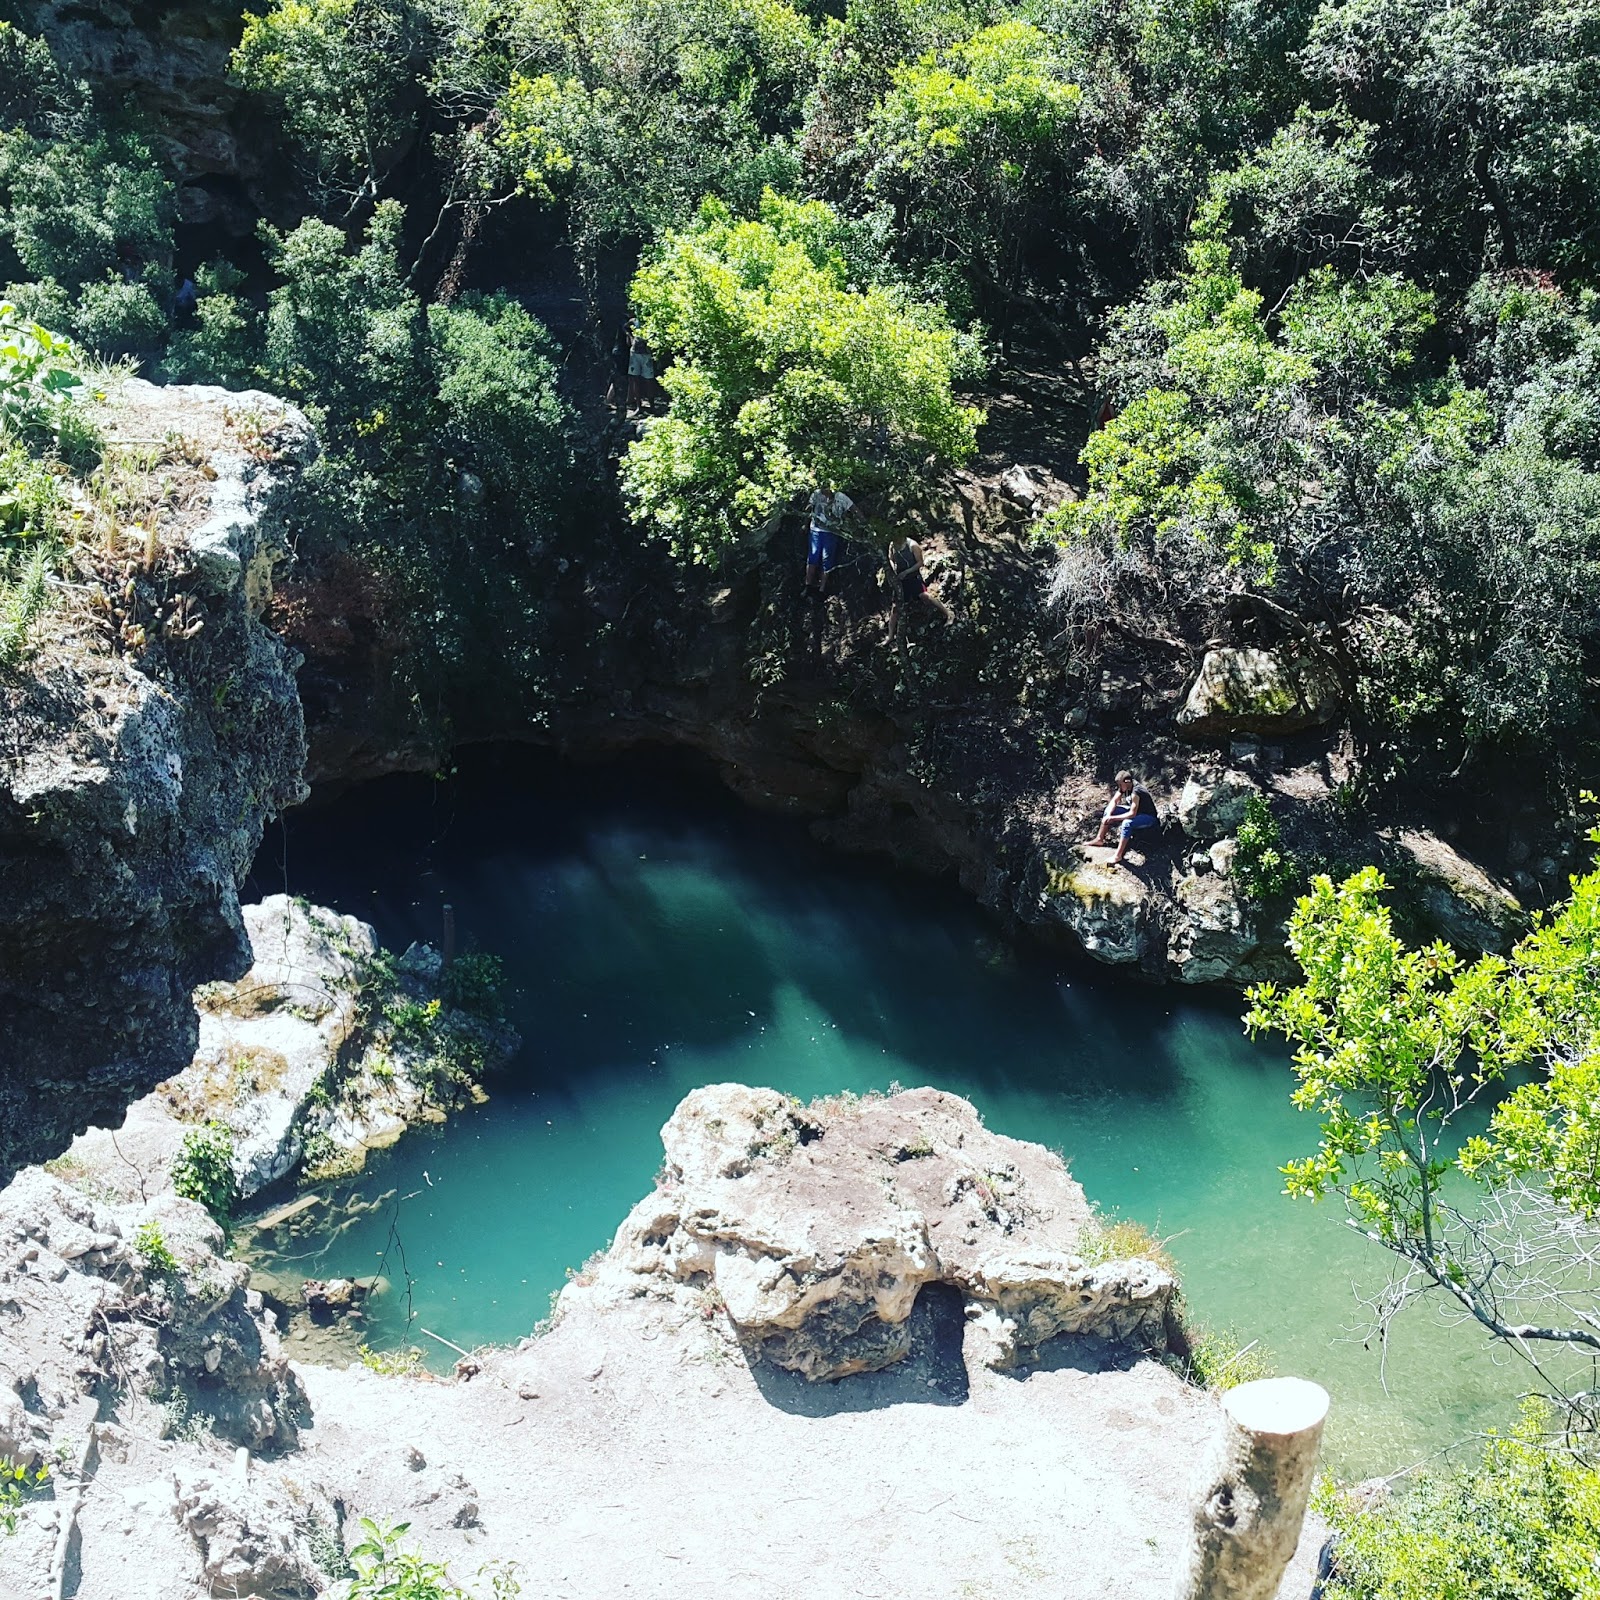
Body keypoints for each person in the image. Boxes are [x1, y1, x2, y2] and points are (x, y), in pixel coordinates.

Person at [885, 532, 952, 641]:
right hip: (900, 580)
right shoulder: (893, 545)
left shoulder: (912, 545)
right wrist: (894, 569)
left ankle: (948, 614)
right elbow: (891, 559)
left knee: (924, 596)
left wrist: (907, 572)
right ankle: (890, 636)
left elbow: (920, 563)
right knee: (895, 608)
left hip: (913, 577)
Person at [1091, 770, 1159, 863]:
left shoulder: (1137, 791)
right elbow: (1114, 801)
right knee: (1109, 809)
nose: (1119, 787)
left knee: (1127, 823)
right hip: (1137, 812)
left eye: (1120, 784)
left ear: (1127, 781)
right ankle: (1099, 839)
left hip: (1148, 817)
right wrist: (1109, 814)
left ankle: (1118, 856)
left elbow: (1132, 814)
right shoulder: (1125, 786)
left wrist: (1112, 818)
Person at [805, 481, 855, 599]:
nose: (823, 491)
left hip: (832, 532)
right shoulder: (816, 494)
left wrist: (863, 523)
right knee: (813, 557)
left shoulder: (841, 497)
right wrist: (806, 522)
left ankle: (821, 589)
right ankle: (808, 586)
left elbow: (854, 509)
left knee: (827, 560)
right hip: (816, 530)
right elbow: (809, 508)